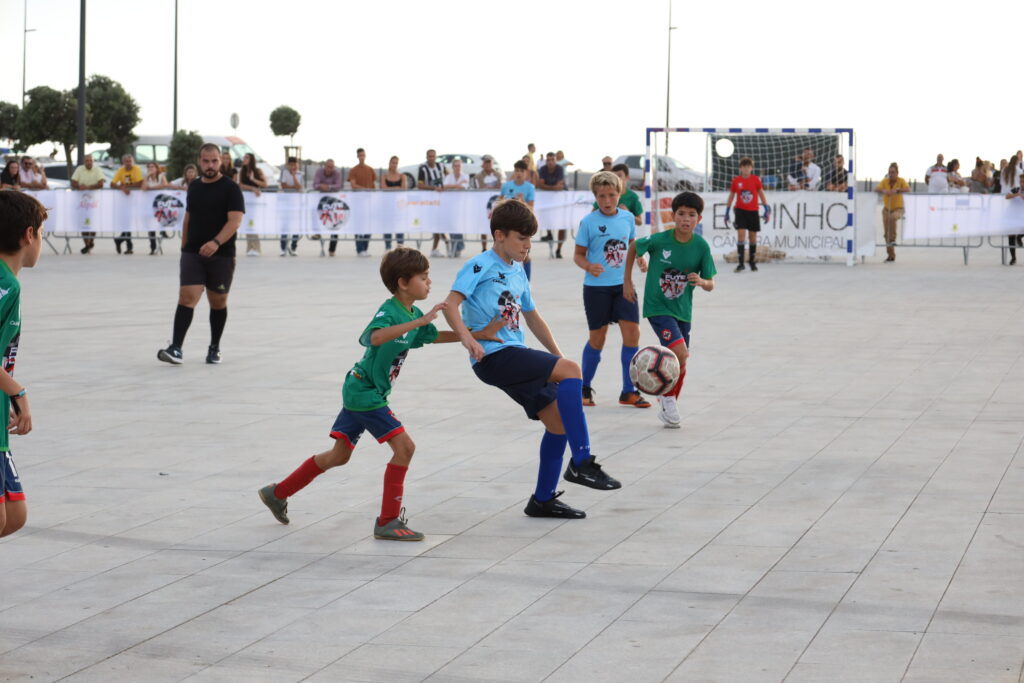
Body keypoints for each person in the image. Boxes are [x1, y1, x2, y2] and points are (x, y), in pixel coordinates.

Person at [258, 247, 503, 538]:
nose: (429, 283)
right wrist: (420, 321)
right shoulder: (390, 311)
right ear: (403, 282)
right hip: (365, 393)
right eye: (423, 277)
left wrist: (476, 335)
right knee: (405, 448)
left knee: (339, 456)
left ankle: (277, 492)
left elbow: (432, 336)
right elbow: (374, 337)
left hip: (361, 389)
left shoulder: (411, 312)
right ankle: (387, 521)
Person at [442, 199, 623, 520]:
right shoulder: (479, 265)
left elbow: (534, 319)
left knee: (558, 425)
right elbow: (450, 304)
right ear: (499, 235)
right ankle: (582, 463)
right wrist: (468, 338)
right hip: (494, 357)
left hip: (515, 353)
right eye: (521, 238)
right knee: (570, 374)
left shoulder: (519, 271)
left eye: (531, 239)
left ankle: (542, 500)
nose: (528, 245)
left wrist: (560, 358)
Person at [623, 192, 716, 429]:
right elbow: (634, 246)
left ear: (699, 219)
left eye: (691, 215)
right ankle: (668, 400)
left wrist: (701, 282)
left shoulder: (701, 247)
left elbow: (710, 284)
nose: (686, 219)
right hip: (657, 307)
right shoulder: (661, 240)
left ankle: (668, 398)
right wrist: (627, 281)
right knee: (680, 353)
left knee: (680, 361)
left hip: (683, 311)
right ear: (672, 215)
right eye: (681, 214)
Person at [157, 143, 245, 366]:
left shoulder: (231, 189)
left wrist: (216, 242)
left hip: (222, 254)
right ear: (199, 161)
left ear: (221, 161)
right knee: (187, 296)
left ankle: (214, 347)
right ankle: (176, 348)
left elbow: (234, 221)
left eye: (214, 161)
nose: (210, 165)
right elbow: (188, 217)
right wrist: (185, 246)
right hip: (193, 253)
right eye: (206, 161)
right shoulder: (194, 186)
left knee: (218, 301)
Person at [575, 171, 651, 410]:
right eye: (601, 196)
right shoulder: (588, 222)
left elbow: (631, 245)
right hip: (596, 289)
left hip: (623, 286)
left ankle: (629, 390)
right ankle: (584, 387)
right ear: (595, 197)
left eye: (611, 195)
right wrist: (588, 265)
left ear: (620, 194)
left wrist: (639, 258)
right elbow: (577, 255)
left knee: (633, 334)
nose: (607, 200)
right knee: (598, 338)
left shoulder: (627, 218)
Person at [0, 191, 45, 538]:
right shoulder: (5, 285)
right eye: (42, 233)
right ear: (28, 235)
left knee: (13, 516)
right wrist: (19, 392)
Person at [723, 157, 771, 272]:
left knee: (753, 237)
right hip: (740, 211)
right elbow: (731, 196)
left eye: (748, 166)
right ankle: (741, 263)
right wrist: (727, 211)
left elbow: (761, 193)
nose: (746, 169)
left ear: (751, 168)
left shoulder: (756, 179)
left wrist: (766, 208)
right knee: (741, 235)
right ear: (740, 168)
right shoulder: (736, 181)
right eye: (744, 166)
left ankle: (752, 262)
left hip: (753, 211)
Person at [500, 161, 536, 279]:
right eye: (516, 171)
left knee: (524, 255)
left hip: (522, 225)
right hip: (507, 225)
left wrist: (521, 202)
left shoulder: (529, 187)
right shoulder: (506, 185)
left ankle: (527, 282)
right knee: (504, 254)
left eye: (521, 171)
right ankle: (506, 279)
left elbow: (531, 207)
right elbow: (499, 203)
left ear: (526, 173)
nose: (519, 173)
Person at [71, 153, 105, 254]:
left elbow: (101, 183)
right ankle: (87, 244)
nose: (89, 162)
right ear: (84, 161)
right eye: (87, 161)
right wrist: (78, 186)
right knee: (84, 223)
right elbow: (73, 181)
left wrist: (88, 187)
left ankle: (91, 241)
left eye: (91, 160)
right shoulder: (79, 169)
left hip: (94, 202)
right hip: (82, 202)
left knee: (93, 223)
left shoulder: (97, 169)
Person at [875, 162, 909, 262]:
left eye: (893, 172)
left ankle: (893, 239)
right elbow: (876, 188)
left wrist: (898, 190)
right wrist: (884, 191)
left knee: (893, 218)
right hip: (886, 209)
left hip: (898, 208)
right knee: (886, 234)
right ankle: (891, 255)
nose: (891, 174)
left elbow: (908, 189)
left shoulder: (901, 181)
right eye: (890, 172)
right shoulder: (885, 181)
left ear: (897, 173)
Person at [111, 154, 143, 254]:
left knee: (130, 223)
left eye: (130, 161)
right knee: (127, 223)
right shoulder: (121, 170)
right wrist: (122, 188)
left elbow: (139, 183)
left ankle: (120, 240)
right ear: (123, 162)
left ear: (133, 161)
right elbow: (112, 184)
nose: (128, 163)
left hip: (135, 200)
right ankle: (129, 246)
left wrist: (126, 186)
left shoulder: (137, 169)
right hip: (124, 201)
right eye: (126, 161)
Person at [537, 152, 567, 257]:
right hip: (548, 199)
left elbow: (560, 185)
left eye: (552, 160)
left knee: (562, 224)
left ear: (556, 160)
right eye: (548, 160)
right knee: (545, 217)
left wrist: (547, 187)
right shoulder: (543, 169)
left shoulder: (559, 169)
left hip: (561, 198)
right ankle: (549, 234)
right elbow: (540, 184)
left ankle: (559, 249)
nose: (550, 162)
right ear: (546, 161)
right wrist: (553, 188)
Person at [470, 155, 502, 253]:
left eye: (489, 162)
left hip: (495, 203)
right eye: (486, 162)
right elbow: (480, 188)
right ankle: (484, 248)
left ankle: (496, 247)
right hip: (483, 204)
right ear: (483, 164)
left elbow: (499, 186)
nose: (488, 164)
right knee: (483, 225)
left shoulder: (498, 174)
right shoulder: (478, 176)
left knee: (497, 225)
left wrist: (489, 187)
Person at [418, 149, 447, 257]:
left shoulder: (441, 167)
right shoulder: (423, 168)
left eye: (433, 156)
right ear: (426, 157)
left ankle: (444, 243)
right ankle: (439, 245)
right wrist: (434, 188)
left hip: (443, 200)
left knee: (440, 223)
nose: (431, 158)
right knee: (436, 224)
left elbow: (449, 178)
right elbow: (420, 185)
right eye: (429, 156)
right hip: (430, 202)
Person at [312, 158, 344, 255]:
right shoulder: (319, 172)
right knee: (317, 218)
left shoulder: (337, 173)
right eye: (328, 166)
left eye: (332, 167)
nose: (330, 169)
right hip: (321, 201)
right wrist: (326, 186)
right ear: (324, 166)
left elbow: (338, 185)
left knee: (334, 224)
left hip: (333, 202)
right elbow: (315, 185)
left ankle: (332, 250)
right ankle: (318, 235)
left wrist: (327, 187)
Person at [348, 149, 376, 257]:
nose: (362, 157)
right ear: (357, 156)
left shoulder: (370, 170)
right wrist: (365, 189)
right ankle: (359, 249)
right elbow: (353, 185)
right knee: (359, 225)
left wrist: (371, 192)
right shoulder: (353, 170)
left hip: (368, 202)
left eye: (363, 155)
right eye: (360, 155)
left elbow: (373, 185)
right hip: (357, 202)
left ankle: (365, 247)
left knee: (368, 225)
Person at [237, 154, 267, 256]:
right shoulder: (242, 171)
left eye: (246, 158)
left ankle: (256, 247)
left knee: (252, 223)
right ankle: (249, 247)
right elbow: (241, 184)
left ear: (251, 160)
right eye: (243, 157)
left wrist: (253, 179)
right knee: (247, 223)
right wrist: (252, 188)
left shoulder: (258, 171)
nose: (244, 159)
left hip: (255, 201)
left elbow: (264, 184)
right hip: (246, 199)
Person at [141, 162, 172, 254]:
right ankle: (152, 246)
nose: (150, 168)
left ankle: (162, 231)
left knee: (161, 219)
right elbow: (143, 188)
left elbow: (164, 185)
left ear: (156, 168)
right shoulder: (146, 177)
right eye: (149, 167)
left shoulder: (161, 175)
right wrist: (147, 177)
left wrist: (151, 188)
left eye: (152, 166)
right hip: (149, 203)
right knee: (150, 227)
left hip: (160, 203)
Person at [443, 158, 470, 257]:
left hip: (460, 204)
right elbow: (445, 186)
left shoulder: (465, 176)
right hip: (450, 204)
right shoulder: (449, 176)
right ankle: (454, 246)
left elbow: (464, 186)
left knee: (458, 226)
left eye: (459, 165)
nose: (457, 167)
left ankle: (458, 247)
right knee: (452, 226)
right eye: (455, 165)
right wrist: (457, 185)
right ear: (453, 167)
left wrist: (453, 186)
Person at [379, 155, 406, 250]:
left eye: (396, 163)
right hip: (387, 205)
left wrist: (392, 189)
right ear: (389, 164)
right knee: (387, 227)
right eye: (393, 163)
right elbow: (383, 187)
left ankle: (400, 248)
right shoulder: (384, 176)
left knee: (399, 227)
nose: (394, 165)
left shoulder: (402, 176)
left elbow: (403, 188)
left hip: (399, 206)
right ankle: (388, 247)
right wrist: (396, 188)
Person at [278, 156, 303, 256]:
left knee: (296, 226)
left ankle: (293, 246)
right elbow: (284, 186)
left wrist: (293, 176)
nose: (293, 167)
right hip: (286, 203)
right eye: (291, 165)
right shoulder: (284, 172)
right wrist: (294, 187)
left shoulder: (300, 174)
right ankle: (283, 247)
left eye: (295, 164)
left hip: (296, 203)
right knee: (285, 226)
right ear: (288, 165)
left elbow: (299, 186)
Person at [1002, 156, 1023, 264]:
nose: (1022, 183)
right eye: (1021, 181)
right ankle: (1013, 257)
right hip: (1013, 214)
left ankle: (1019, 237)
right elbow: (1007, 196)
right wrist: (1017, 194)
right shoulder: (1016, 189)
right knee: (1011, 235)